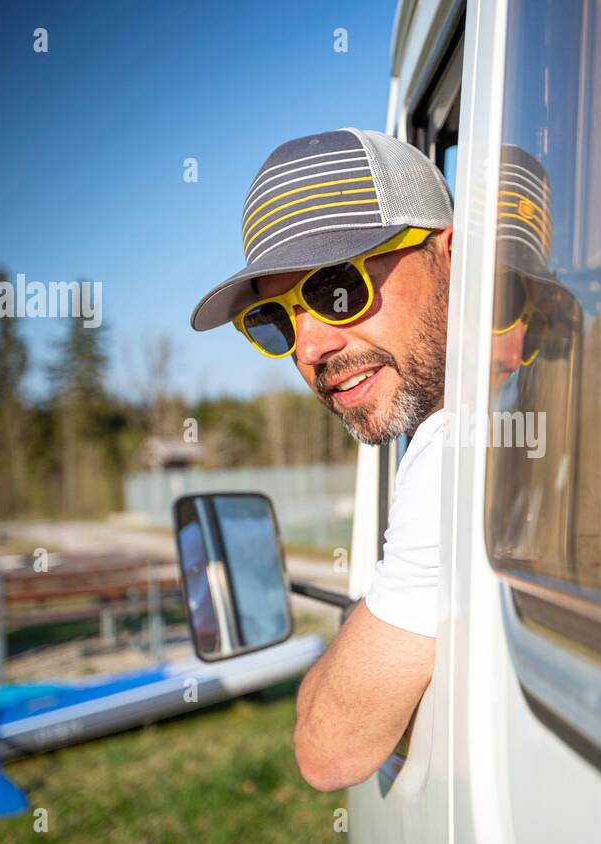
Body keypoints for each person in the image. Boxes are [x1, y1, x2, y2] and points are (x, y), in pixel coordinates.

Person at [188, 128, 452, 790]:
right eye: (275, 320)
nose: (309, 348)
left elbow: (328, 751)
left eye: (338, 290)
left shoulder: (461, 447)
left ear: (454, 257)